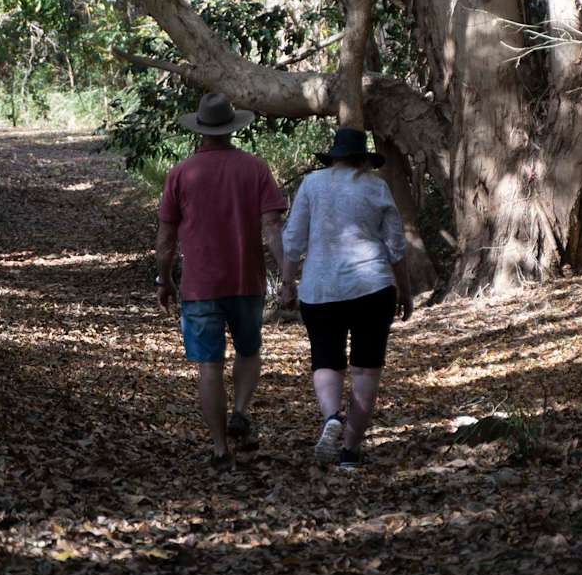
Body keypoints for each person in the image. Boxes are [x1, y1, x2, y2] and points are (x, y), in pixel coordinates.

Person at [156, 91, 288, 469]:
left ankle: (219, 449)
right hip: (247, 280)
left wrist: (163, 279)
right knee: (249, 351)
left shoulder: (181, 173)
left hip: (200, 287)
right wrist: (287, 275)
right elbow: (272, 227)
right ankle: (241, 410)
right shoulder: (256, 169)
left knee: (208, 366)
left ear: (200, 130)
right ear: (232, 129)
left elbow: (166, 238)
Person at [280, 125, 413, 470]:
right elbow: (395, 246)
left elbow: (293, 239)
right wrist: (406, 290)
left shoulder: (311, 185)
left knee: (326, 360)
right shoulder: (376, 187)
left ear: (334, 158)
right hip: (373, 287)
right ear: (362, 160)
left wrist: (287, 282)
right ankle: (350, 454)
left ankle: (330, 418)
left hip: (321, 289)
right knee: (366, 371)